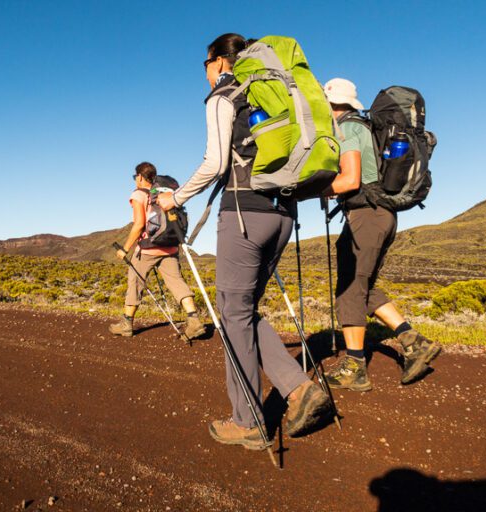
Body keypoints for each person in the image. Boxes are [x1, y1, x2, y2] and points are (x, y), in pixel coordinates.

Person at [155, 34, 331, 450]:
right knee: (243, 311)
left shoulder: (225, 94)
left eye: (205, 63)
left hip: (243, 215)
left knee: (232, 314)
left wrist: (174, 198)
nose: (205, 71)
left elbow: (216, 162)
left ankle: (252, 419)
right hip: (284, 215)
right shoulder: (276, 91)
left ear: (218, 61)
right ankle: (295, 389)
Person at [322, 77, 441, 391]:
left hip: (367, 216)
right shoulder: (362, 127)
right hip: (382, 214)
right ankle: (414, 342)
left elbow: (349, 180)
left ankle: (354, 367)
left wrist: (315, 190)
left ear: (330, 103)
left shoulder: (347, 128)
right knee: (366, 285)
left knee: (350, 288)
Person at [109, 162, 206, 340]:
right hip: (170, 246)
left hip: (148, 248)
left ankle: (126, 324)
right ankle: (193, 320)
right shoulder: (165, 194)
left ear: (139, 176)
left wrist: (125, 248)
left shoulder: (138, 194)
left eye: (135, 177)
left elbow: (139, 224)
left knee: (135, 283)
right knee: (177, 282)